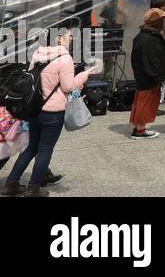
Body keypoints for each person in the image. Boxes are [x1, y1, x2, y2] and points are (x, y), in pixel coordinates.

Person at [2, 28, 102, 196]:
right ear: (57, 39)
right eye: (68, 36)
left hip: (33, 109)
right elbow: (68, 87)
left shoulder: (37, 53)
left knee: (30, 148)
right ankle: (34, 188)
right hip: (53, 113)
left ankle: (11, 183)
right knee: (46, 149)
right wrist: (84, 75)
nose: (71, 39)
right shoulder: (65, 59)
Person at [128, 8, 165, 139]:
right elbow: (152, 61)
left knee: (141, 102)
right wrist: (157, 76)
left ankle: (139, 127)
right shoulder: (151, 38)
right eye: (162, 19)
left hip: (144, 76)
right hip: (149, 77)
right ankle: (140, 130)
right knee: (145, 104)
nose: (164, 21)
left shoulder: (142, 35)